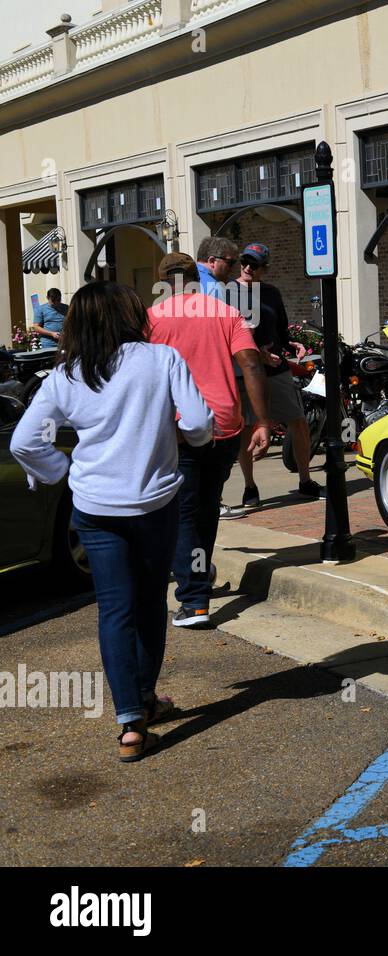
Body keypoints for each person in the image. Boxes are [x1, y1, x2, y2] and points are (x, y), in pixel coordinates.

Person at [11, 282, 213, 762]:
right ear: (130, 316)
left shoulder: (64, 376)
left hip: (96, 509)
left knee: (114, 611)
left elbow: (24, 443)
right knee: (150, 604)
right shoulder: (160, 360)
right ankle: (144, 699)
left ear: (76, 322)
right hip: (154, 504)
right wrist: (178, 437)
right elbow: (202, 424)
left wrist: (64, 474)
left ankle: (129, 722)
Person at [147, 252, 272, 627]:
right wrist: (263, 421)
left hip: (179, 428)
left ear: (163, 283)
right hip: (225, 426)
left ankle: (194, 598)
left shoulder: (152, 319)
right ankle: (199, 573)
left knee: (181, 513)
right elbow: (250, 363)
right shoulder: (226, 312)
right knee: (205, 509)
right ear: (194, 277)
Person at [231, 242, 321, 507]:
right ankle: (250, 487)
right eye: (244, 262)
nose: (248, 267)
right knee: (247, 428)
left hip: (275, 367)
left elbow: (280, 329)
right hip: (245, 369)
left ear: (264, 268)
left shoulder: (271, 292)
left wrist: (292, 343)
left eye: (254, 264)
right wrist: (258, 353)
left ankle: (305, 479)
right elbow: (227, 334)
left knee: (298, 420)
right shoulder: (227, 293)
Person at [195, 236, 239, 300]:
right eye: (230, 262)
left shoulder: (183, 280)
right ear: (212, 261)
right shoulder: (214, 289)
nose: (232, 268)